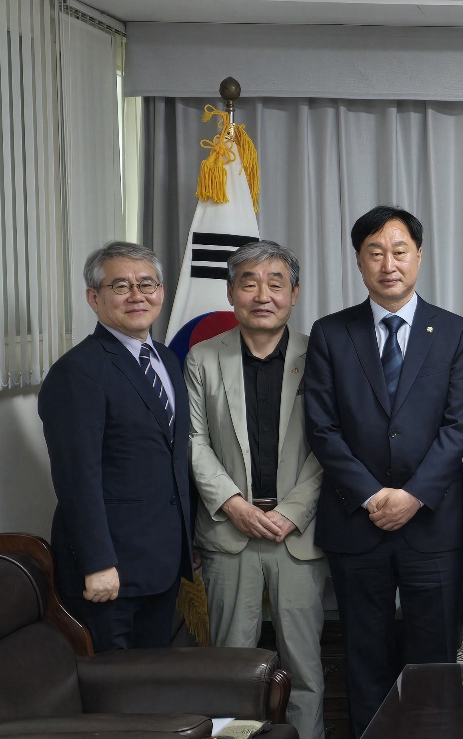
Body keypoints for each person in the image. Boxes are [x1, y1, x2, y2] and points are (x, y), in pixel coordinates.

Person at [303, 206, 463, 737]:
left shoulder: (454, 331)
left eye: (400, 251)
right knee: (365, 654)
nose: (389, 263)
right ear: (358, 260)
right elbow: (322, 427)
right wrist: (373, 495)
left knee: (435, 658)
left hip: (432, 523)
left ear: (419, 256)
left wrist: (414, 495)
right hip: (358, 522)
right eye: (375, 252)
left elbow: (459, 425)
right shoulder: (331, 333)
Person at [187, 241, 328, 739]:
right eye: (249, 282)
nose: (262, 294)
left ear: (293, 293)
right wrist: (232, 504)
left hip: (298, 534)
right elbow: (193, 440)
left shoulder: (321, 354)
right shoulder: (203, 357)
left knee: (305, 671)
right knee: (231, 669)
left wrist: (293, 510)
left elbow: (331, 444)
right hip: (230, 535)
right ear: (230, 292)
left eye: (275, 283)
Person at [38, 241, 191, 651]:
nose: (137, 295)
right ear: (94, 297)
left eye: (147, 283)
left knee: (151, 684)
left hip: (162, 562)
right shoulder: (78, 372)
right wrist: (98, 564)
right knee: (116, 694)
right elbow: (76, 479)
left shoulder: (166, 359)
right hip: (111, 572)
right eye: (121, 286)